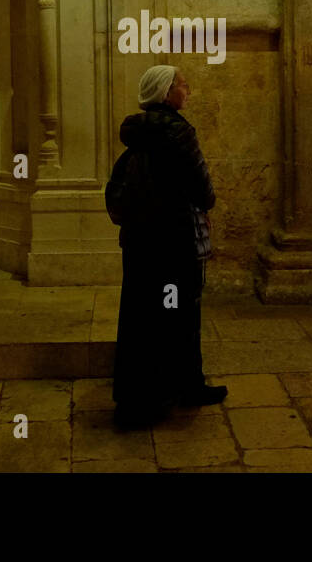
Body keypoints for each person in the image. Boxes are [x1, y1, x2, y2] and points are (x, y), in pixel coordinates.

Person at [111, 64, 227, 429]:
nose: (187, 89)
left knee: (142, 313)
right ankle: (188, 387)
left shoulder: (135, 133)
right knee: (182, 313)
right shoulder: (180, 132)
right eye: (181, 84)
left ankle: (140, 397)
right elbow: (201, 184)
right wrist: (207, 204)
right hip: (176, 240)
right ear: (166, 93)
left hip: (142, 242)